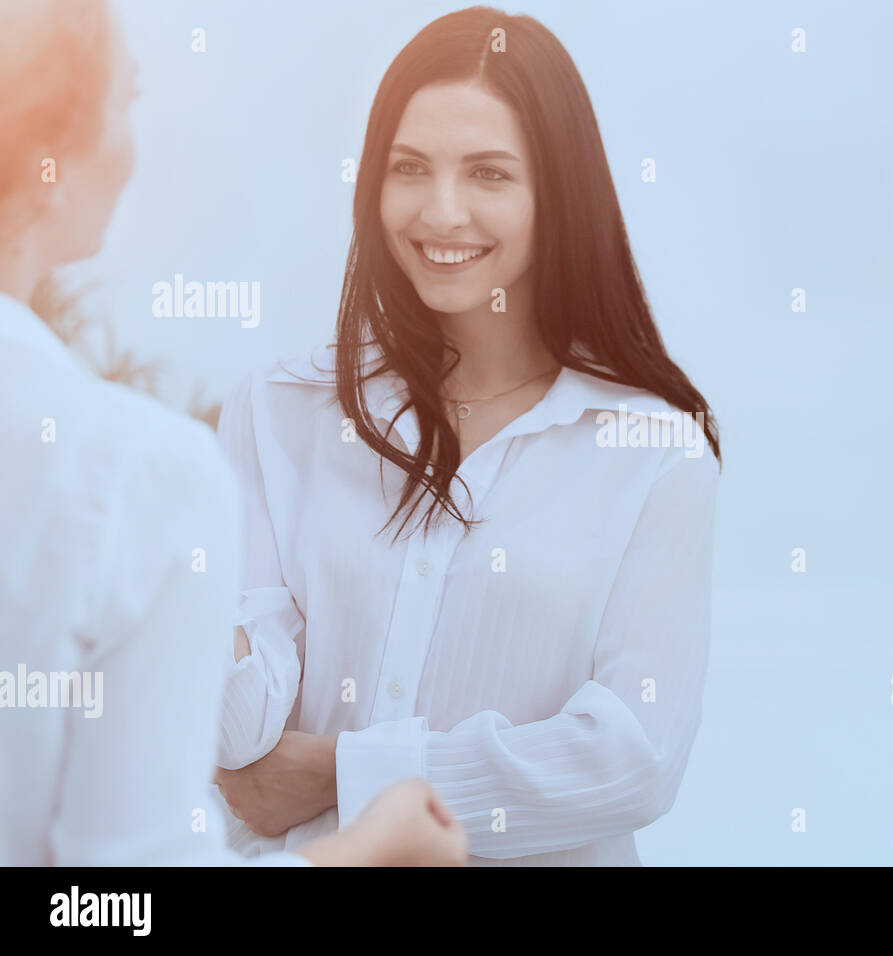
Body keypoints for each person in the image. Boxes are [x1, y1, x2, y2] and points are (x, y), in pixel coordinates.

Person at [210, 7, 721, 866]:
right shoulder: (278, 411)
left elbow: (634, 760)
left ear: (558, 194)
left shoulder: (654, 451)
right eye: (410, 169)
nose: (442, 213)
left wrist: (351, 772)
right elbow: (242, 746)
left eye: (489, 174)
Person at [0, 0, 467, 866]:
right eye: (128, 101)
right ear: (48, 158)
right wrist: (368, 850)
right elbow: (121, 902)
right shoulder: (133, 476)